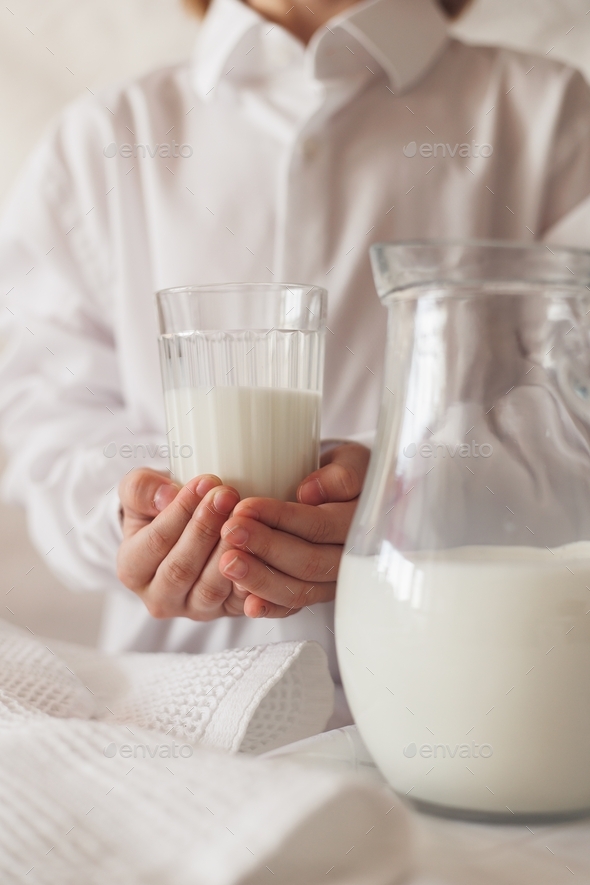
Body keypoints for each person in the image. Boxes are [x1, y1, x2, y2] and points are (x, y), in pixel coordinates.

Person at [1, 0, 590, 706]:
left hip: (468, 698)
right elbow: (42, 416)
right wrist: (127, 511)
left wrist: (412, 488)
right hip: (168, 716)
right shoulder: (106, 137)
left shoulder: (554, 119)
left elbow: (572, 410)